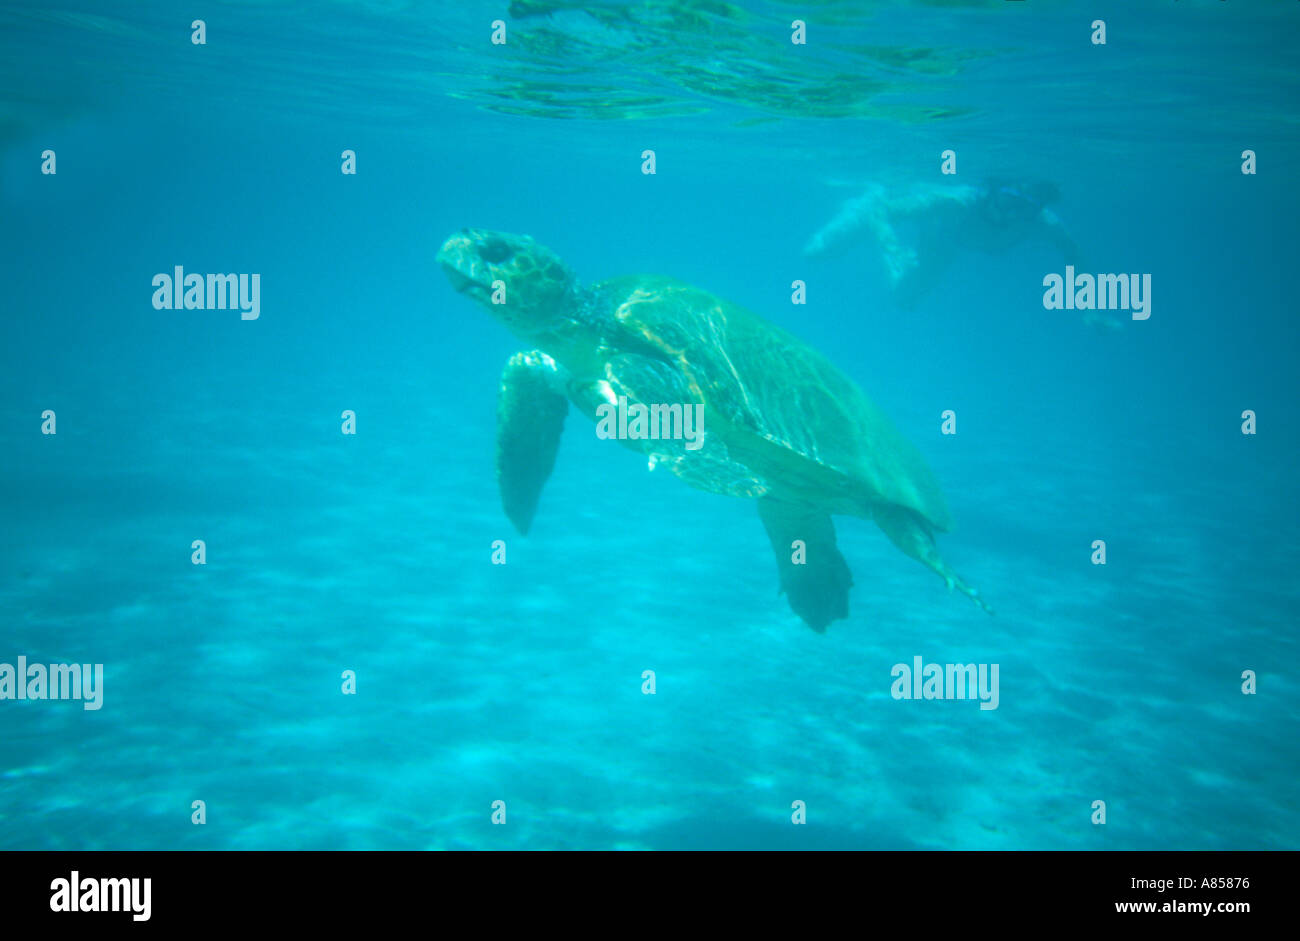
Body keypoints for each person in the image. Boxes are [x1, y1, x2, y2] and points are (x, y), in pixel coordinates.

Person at [803, 179, 1120, 329]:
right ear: (993, 194)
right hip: (921, 224)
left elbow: (1074, 258)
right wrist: (893, 249)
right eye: (1009, 202)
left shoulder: (1042, 224)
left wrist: (1088, 307)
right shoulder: (960, 202)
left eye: (1024, 209)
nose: (1011, 215)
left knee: (904, 301)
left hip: (947, 247)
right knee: (818, 251)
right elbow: (885, 213)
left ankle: (866, 212)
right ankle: (865, 197)